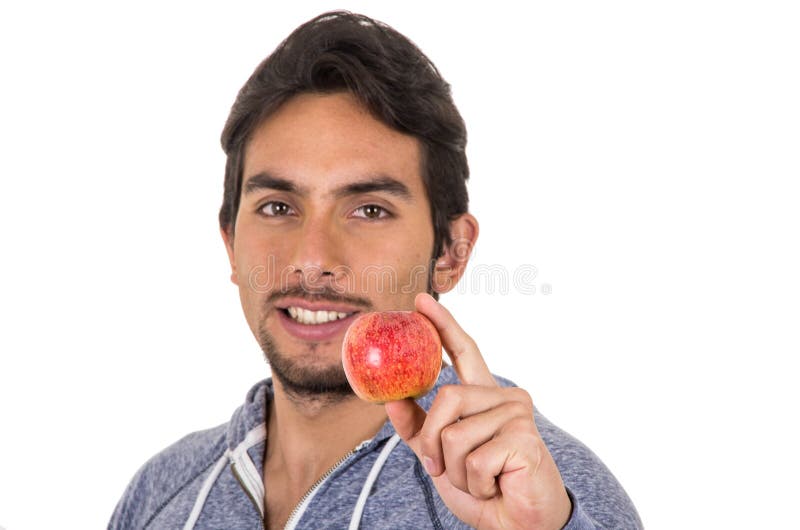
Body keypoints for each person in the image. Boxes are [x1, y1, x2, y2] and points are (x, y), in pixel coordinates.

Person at [108, 11, 642, 530]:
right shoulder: (160, 494)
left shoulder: (542, 496)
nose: (313, 260)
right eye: (277, 207)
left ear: (451, 253)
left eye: (369, 210)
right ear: (230, 244)